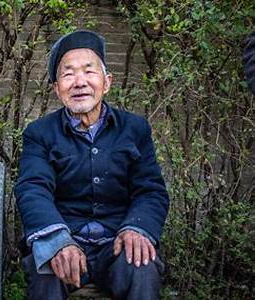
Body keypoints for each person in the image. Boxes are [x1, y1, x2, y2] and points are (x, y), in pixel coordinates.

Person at [15, 30, 170, 300]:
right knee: (48, 270)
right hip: (66, 237)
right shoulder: (39, 133)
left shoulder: (134, 129)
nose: (79, 82)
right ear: (56, 88)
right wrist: (57, 242)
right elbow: (32, 188)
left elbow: (151, 190)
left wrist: (136, 227)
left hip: (117, 243)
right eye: (68, 74)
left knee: (142, 267)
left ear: (106, 82)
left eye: (89, 72)